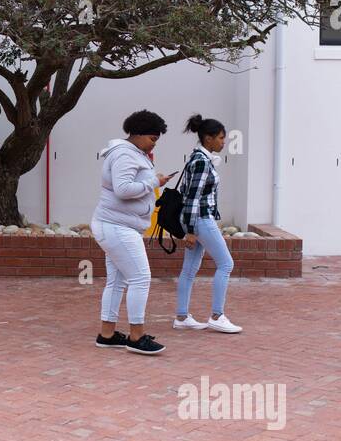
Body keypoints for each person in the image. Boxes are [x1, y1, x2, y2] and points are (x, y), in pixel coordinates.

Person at [90, 110, 175, 356]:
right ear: (136, 133)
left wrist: (153, 181)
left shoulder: (132, 153)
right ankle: (136, 336)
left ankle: (107, 334)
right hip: (117, 226)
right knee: (140, 278)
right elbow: (124, 189)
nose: (154, 142)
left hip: (117, 225)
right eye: (152, 138)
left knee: (117, 281)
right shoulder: (126, 155)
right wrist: (155, 182)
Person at [174, 114, 242, 334]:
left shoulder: (198, 159)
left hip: (198, 220)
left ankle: (182, 317)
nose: (224, 142)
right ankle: (217, 315)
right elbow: (192, 198)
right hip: (201, 220)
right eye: (221, 138)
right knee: (226, 264)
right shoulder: (202, 162)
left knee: (189, 270)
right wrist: (192, 231)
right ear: (208, 138)